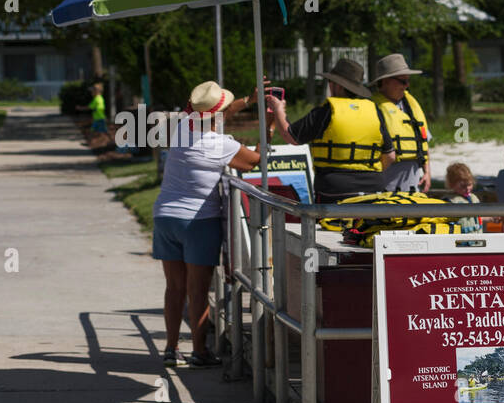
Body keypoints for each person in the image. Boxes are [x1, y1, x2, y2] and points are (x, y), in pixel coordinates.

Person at [153, 81, 261, 368]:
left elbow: (218, 115)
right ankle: (200, 351)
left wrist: (248, 100)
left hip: (165, 216)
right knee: (198, 290)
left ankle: (171, 348)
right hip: (198, 222)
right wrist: (270, 125)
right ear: (218, 116)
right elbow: (254, 163)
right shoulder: (219, 145)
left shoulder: (182, 127)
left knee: (174, 287)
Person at [264, 58, 394, 204]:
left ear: (338, 86)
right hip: (373, 191)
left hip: (333, 192)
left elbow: (291, 136)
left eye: (330, 82)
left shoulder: (327, 110)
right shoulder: (374, 110)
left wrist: (278, 110)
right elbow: (390, 156)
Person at [370, 53, 432, 193]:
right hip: (385, 187)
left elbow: (424, 141)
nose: (407, 85)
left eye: (408, 81)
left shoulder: (411, 105)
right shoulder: (372, 107)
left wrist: (427, 171)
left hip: (414, 186)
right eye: (402, 81)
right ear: (385, 81)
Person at [445, 161, 482, 232]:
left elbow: (477, 217)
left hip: (478, 241)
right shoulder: (451, 201)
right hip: (461, 241)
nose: (467, 188)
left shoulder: (473, 198)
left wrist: (490, 218)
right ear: (452, 184)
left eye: (470, 184)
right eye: (463, 186)